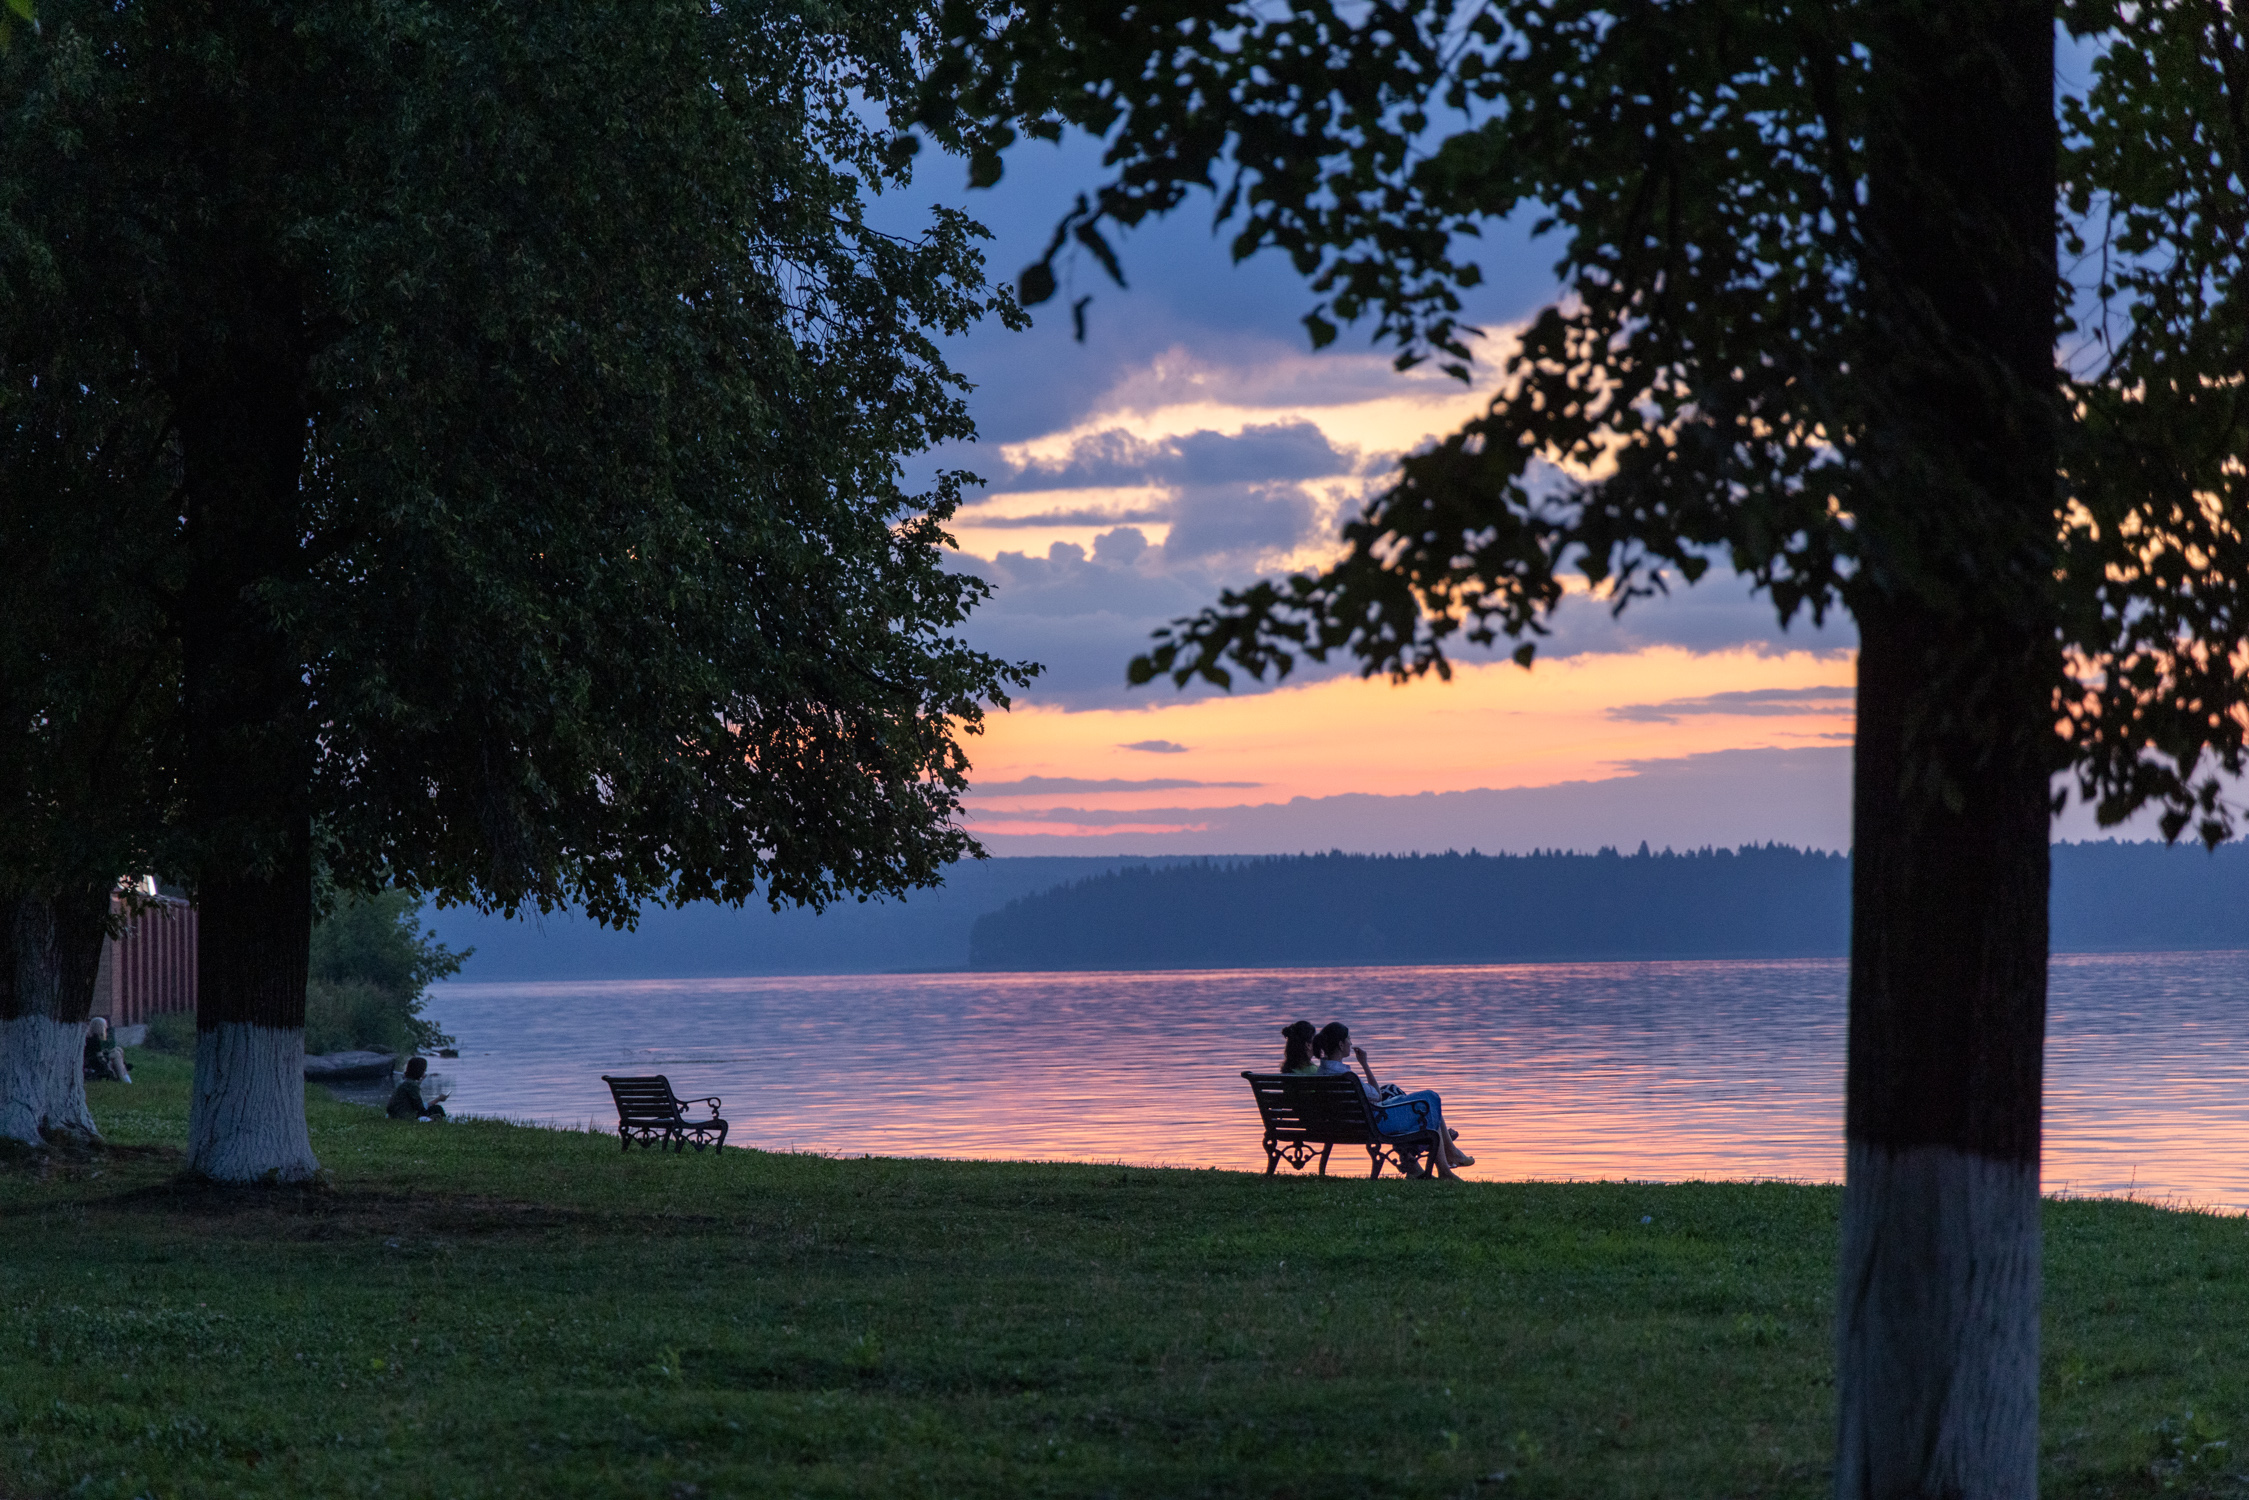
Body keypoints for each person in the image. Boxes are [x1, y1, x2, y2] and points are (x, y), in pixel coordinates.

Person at [1313, 1021, 1473, 1175]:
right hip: (1370, 1125)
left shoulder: (1320, 1074)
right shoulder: (1346, 1076)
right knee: (1430, 1099)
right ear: (1341, 1045)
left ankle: (1418, 1163)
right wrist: (1365, 1064)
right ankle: (1441, 1159)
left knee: (1399, 1093)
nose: (1351, 1042)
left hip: (1342, 1125)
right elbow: (1376, 1095)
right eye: (1348, 1038)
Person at [385, 1056, 447, 1121]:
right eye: (424, 1070)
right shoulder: (411, 1085)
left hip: (396, 1114)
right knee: (437, 1109)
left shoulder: (405, 1082)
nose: (425, 1072)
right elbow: (420, 1107)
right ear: (420, 1071)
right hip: (404, 1116)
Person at [82, 1017, 131, 1083]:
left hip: (93, 1057)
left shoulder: (90, 1036)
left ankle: (124, 1073)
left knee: (118, 1049)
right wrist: (107, 1060)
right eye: (105, 1026)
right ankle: (123, 1077)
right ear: (100, 1027)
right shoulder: (95, 1039)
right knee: (117, 1054)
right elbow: (100, 1057)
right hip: (94, 1061)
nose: (106, 1028)